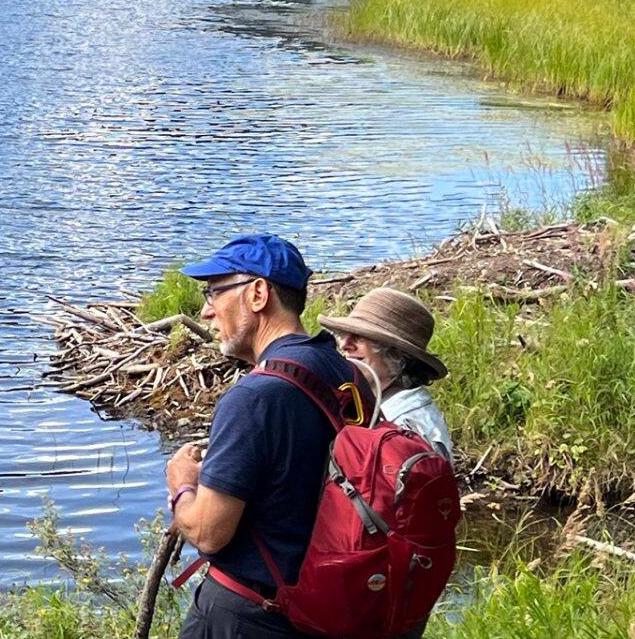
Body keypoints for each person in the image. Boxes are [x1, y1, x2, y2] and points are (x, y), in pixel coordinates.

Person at [164, 235, 365, 639]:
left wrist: (183, 485)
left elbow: (208, 532)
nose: (206, 311)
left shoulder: (254, 396)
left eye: (215, 292)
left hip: (250, 616)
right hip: (329, 607)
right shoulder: (349, 374)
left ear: (257, 293)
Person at [328, 287, 454, 460]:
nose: (345, 345)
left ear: (397, 353)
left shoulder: (409, 425)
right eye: (344, 334)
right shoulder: (375, 405)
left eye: (359, 336)